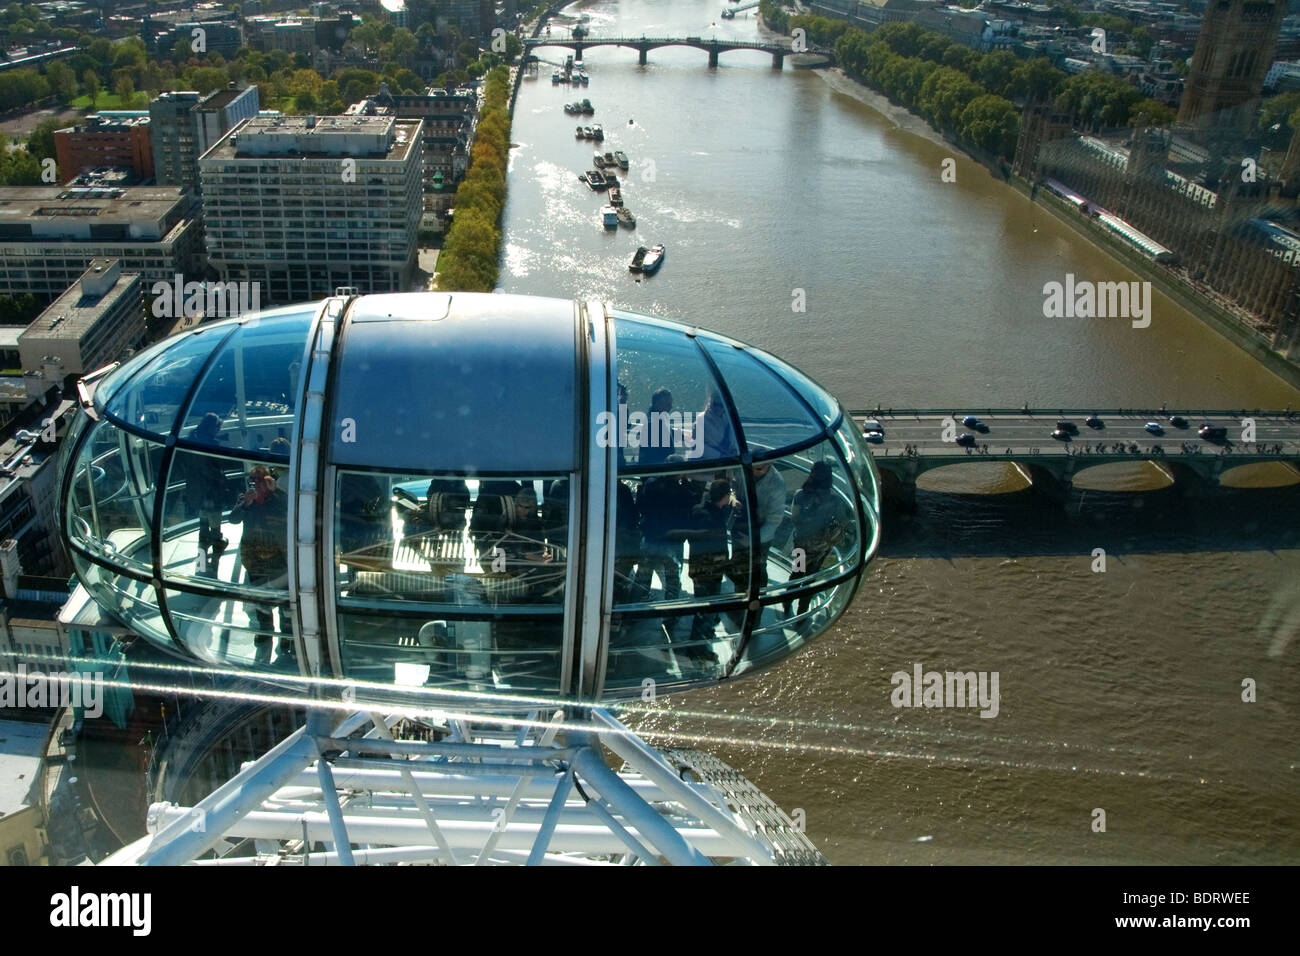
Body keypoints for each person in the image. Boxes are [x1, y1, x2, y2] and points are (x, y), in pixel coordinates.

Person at [228, 465, 292, 664]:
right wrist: (245, 503)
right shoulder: (245, 499)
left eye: (259, 480)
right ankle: (265, 633)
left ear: (267, 481)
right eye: (253, 480)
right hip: (255, 559)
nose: (255, 484)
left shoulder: (278, 498)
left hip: (278, 558)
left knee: (284, 602)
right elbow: (233, 519)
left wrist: (276, 492)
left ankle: (286, 638)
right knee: (260, 600)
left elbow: (289, 512)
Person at [787, 462, 850, 618]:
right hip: (820, 548)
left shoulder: (800, 495)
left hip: (801, 544)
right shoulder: (834, 501)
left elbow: (794, 518)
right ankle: (802, 613)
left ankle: (786, 605)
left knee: (797, 573)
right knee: (810, 579)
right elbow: (844, 521)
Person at [686, 478, 741, 656]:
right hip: (710, 571)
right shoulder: (715, 519)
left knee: (702, 607)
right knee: (706, 610)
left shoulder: (698, 510)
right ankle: (697, 648)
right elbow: (715, 548)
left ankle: (699, 642)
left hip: (697, 568)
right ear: (724, 497)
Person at [633, 456, 697, 602]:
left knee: (643, 576)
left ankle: (636, 604)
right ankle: (670, 613)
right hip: (673, 541)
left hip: (651, 537)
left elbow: (642, 506)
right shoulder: (684, 492)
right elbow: (689, 514)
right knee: (673, 579)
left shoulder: (651, 484)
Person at [175, 412, 229, 560]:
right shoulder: (212, 445)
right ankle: (217, 542)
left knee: (203, 516)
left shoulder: (191, 439)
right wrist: (222, 481)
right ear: (213, 427)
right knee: (215, 515)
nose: (218, 431)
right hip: (211, 490)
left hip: (195, 488)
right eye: (217, 427)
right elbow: (212, 471)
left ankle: (203, 545)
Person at [638, 387, 678, 467]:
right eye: (668, 404)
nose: (671, 407)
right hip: (658, 474)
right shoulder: (652, 424)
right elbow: (656, 456)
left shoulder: (659, 418)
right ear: (658, 404)